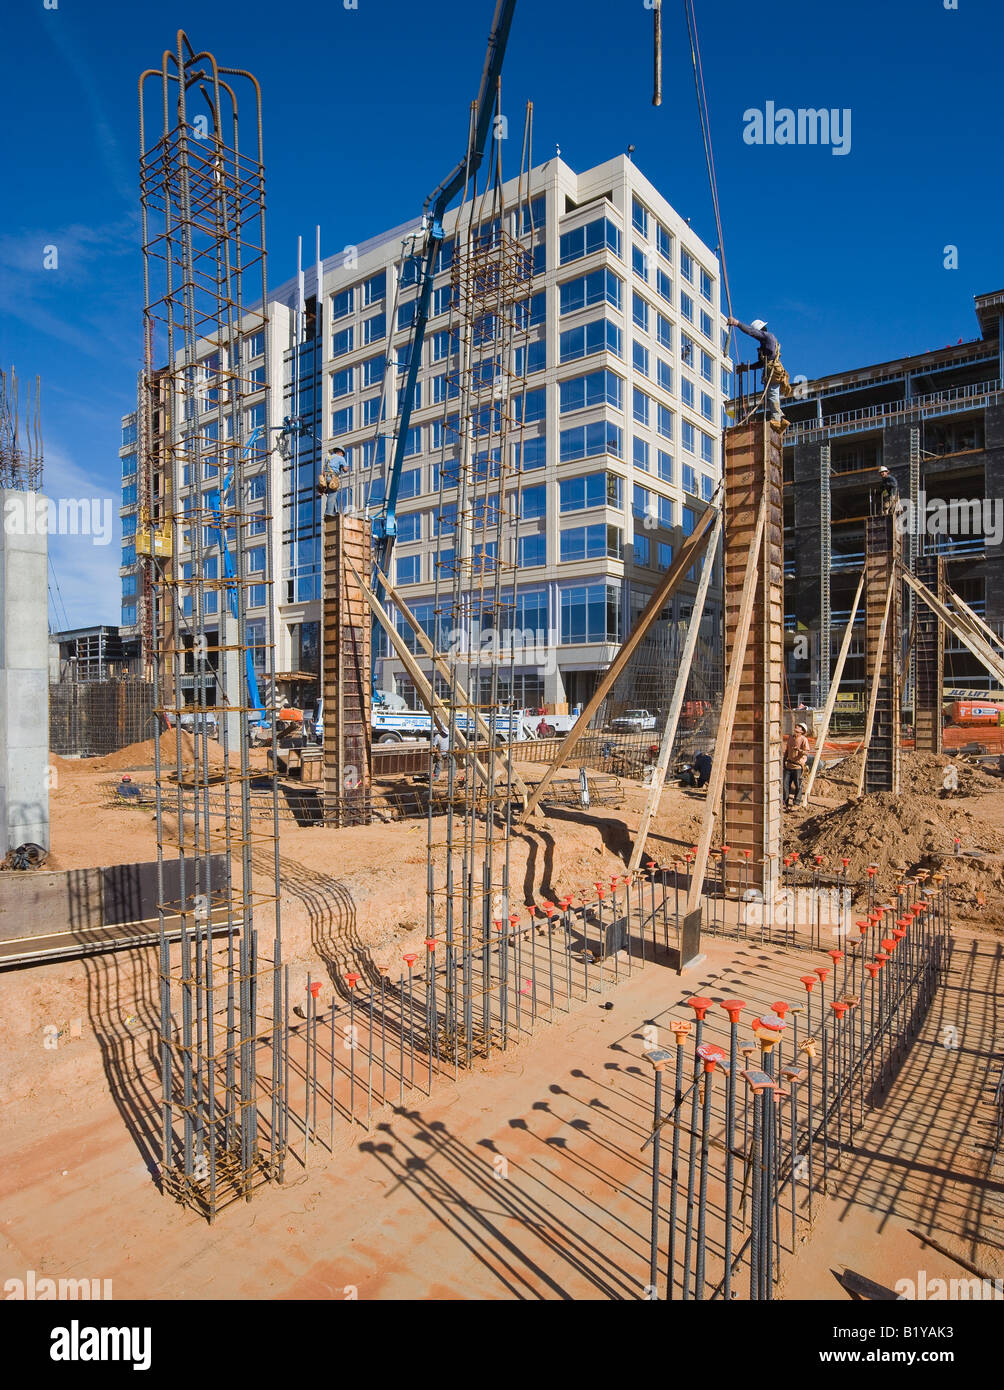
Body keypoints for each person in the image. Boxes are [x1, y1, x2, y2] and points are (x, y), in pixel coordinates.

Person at [727, 315, 789, 423]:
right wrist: (748, 368)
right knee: (770, 395)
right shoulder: (765, 343)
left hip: (773, 370)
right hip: (770, 370)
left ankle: (777, 417)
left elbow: (751, 332)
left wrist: (737, 323)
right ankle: (777, 416)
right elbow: (761, 363)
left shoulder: (768, 337)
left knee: (772, 394)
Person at [783, 722, 810, 809]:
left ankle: (796, 803)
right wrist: (784, 760)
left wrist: (799, 750)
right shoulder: (790, 738)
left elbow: (806, 752)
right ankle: (784, 803)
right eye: (796, 727)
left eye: (798, 727)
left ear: (802, 731)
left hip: (798, 766)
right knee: (785, 784)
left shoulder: (803, 739)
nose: (796, 728)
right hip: (789, 765)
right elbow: (787, 750)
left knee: (798, 785)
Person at [319, 447, 350, 518]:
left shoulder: (328, 458)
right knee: (332, 495)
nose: (342, 455)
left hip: (326, 478)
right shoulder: (340, 458)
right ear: (340, 452)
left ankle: (335, 511)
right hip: (332, 478)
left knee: (332, 494)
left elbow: (323, 471)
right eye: (342, 454)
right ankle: (329, 512)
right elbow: (345, 469)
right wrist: (346, 467)